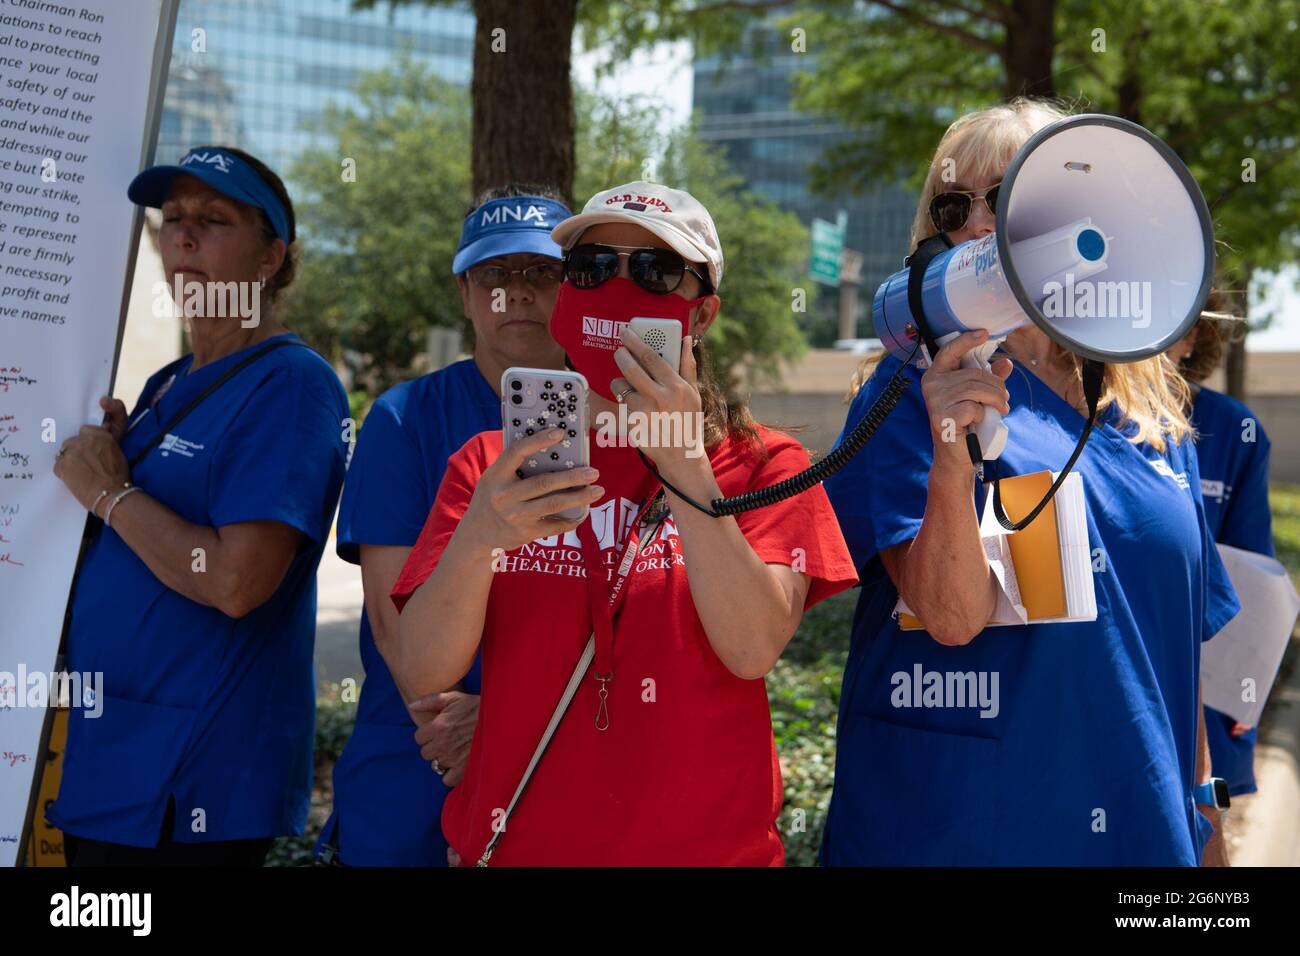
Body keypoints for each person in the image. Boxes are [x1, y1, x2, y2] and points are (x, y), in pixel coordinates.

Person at [820, 100, 1240, 866]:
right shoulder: (907, 394)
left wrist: (1206, 821)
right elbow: (950, 616)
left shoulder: (1151, 421)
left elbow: (1172, 651)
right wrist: (951, 450)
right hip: (963, 835)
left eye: (1013, 198)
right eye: (956, 206)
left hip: (1143, 837)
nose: (981, 225)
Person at [390, 181, 857, 866]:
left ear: (701, 315)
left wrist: (685, 465)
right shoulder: (490, 465)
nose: (618, 285)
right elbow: (426, 667)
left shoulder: (763, 463)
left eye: (655, 270)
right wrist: (479, 540)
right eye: (592, 267)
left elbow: (752, 646)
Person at [48, 145, 350, 866]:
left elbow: (237, 583)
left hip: (193, 783)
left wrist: (111, 493)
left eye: (213, 219)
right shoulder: (166, 381)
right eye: (171, 217)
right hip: (116, 758)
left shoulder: (293, 386)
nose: (182, 235)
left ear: (271, 254)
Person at [315, 185, 573, 866]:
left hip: (567, 771)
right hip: (415, 778)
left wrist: (506, 731)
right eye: (493, 274)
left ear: (575, 284)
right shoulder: (404, 417)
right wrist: (461, 742)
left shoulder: (623, 417)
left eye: (541, 272)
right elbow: (391, 613)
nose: (516, 293)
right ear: (465, 295)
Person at [1168, 316, 1274, 799]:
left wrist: (1244, 692)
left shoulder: (1234, 431)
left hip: (1208, 676)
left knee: (1203, 820)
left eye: (1180, 320)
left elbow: (1254, 582)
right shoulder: (1081, 409)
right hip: (1117, 671)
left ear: (1196, 340)